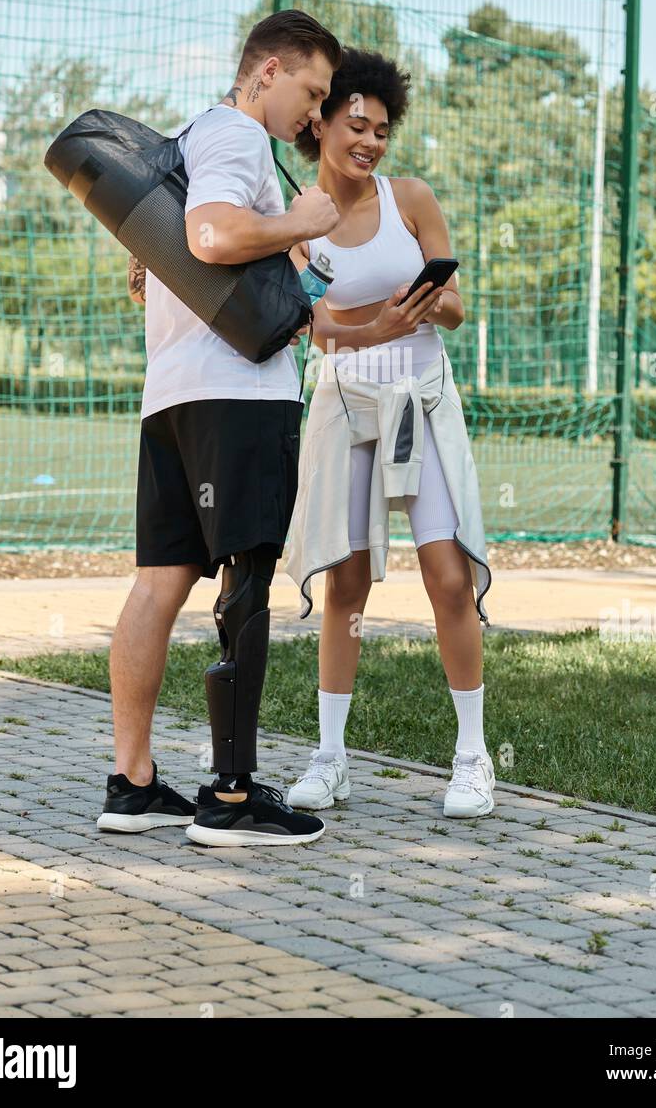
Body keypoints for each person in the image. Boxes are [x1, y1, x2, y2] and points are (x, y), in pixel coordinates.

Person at [97, 9, 342, 846]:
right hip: (236, 397)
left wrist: (296, 272)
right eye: (310, 92)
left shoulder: (190, 140)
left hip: (170, 395)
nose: (313, 116)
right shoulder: (237, 134)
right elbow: (213, 236)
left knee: (159, 583)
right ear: (266, 72)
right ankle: (232, 798)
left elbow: (170, 259)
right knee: (247, 579)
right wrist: (303, 224)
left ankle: (132, 785)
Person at [283, 48, 495, 819]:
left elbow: (457, 306)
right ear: (322, 125)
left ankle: (472, 758)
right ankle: (331, 760)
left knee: (448, 576)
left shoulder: (411, 199)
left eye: (380, 129)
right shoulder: (303, 220)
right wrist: (374, 326)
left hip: (421, 401)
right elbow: (314, 326)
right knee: (348, 585)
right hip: (348, 407)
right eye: (355, 124)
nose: (369, 141)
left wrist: (427, 302)